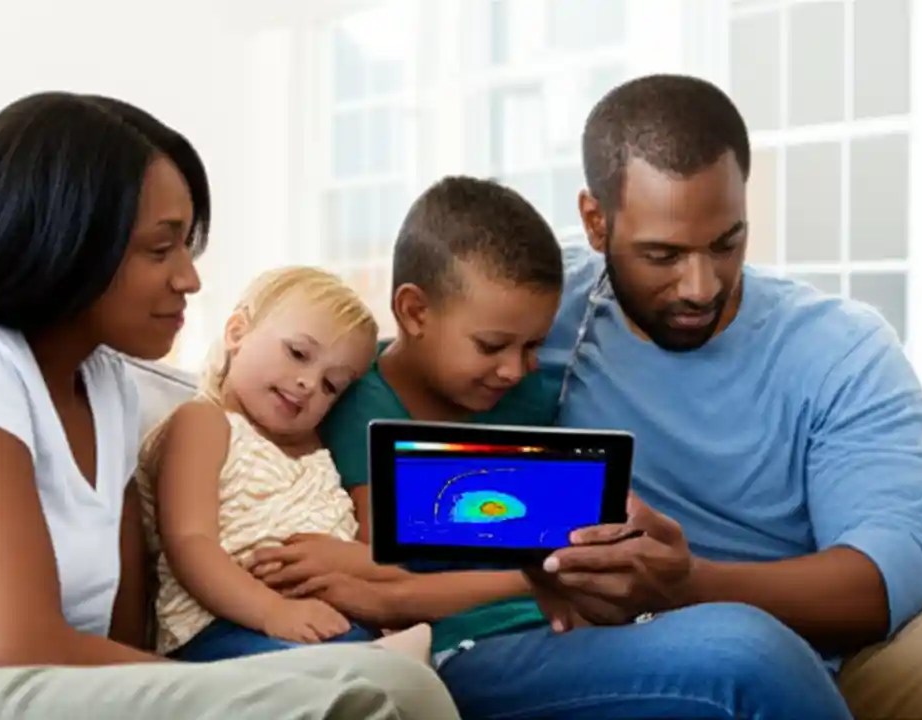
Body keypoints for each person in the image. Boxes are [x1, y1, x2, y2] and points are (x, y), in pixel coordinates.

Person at [0, 92, 458, 720]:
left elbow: (123, 645)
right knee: (379, 691)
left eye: (188, 248)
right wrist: (262, 685)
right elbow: (21, 646)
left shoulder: (110, 391)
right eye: (159, 247)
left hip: (8, 690)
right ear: (66, 238)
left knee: (385, 682)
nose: (189, 278)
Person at [530, 73, 922, 720]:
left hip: (810, 662)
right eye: (662, 255)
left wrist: (690, 585)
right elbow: (404, 370)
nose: (701, 286)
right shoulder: (535, 312)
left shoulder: (841, 349)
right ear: (596, 222)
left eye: (726, 242)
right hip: (592, 657)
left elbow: (883, 581)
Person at [253, 175, 852, 719]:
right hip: (467, 651)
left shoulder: (532, 394)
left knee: (745, 641)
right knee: (744, 653)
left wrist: (580, 570)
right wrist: (534, 575)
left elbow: (570, 537)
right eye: (492, 345)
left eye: (534, 344)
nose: (515, 369)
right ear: (414, 312)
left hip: (577, 632)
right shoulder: (362, 404)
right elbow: (384, 579)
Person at [135, 265, 432, 662]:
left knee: (383, 670)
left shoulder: (317, 456)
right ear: (237, 332)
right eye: (298, 353)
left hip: (328, 626)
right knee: (353, 671)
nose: (309, 383)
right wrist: (272, 611)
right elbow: (189, 543)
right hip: (222, 626)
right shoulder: (204, 422)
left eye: (331, 385)